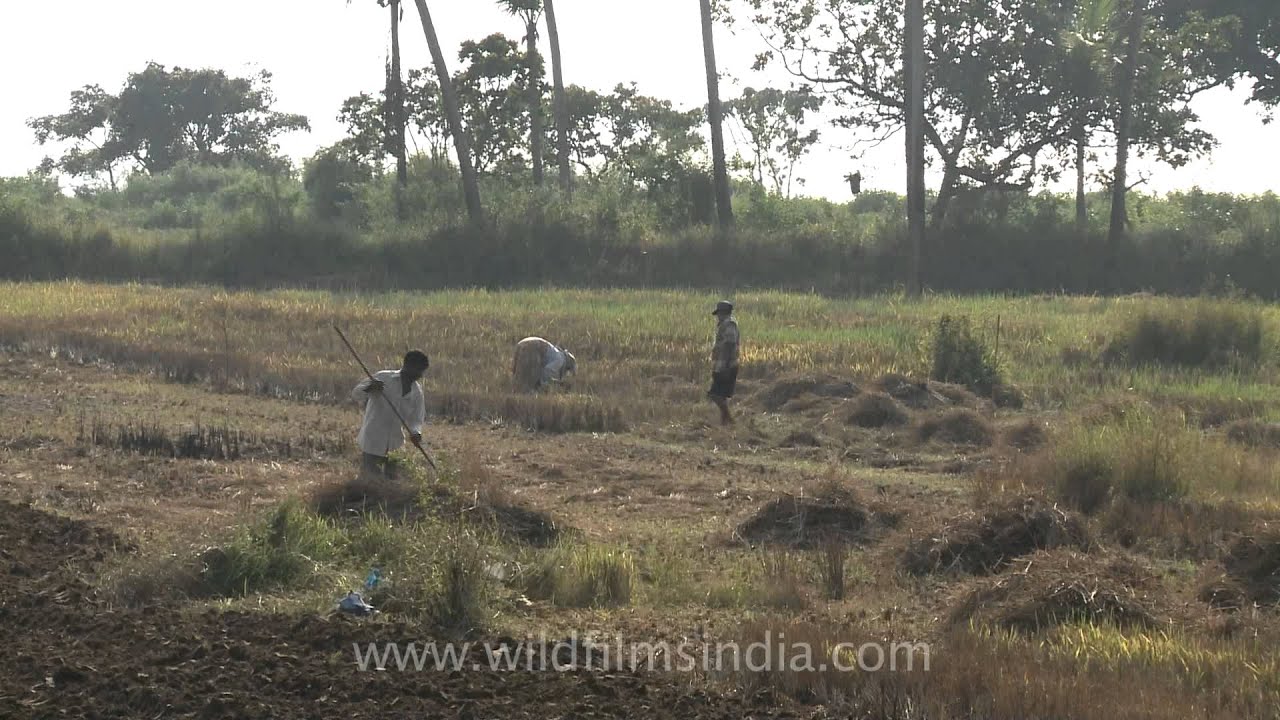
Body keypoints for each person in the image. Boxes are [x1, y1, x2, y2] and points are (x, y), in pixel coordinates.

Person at [350, 350, 428, 479]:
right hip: (373, 441)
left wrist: (415, 433)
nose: (420, 375)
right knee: (369, 482)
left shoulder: (417, 392)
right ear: (408, 366)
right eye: (418, 370)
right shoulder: (383, 377)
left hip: (395, 445)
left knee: (391, 483)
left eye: (422, 371)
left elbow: (416, 419)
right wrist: (370, 388)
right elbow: (356, 394)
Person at [708, 300, 740, 425]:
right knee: (720, 395)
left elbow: (729, 344)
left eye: (719, 313)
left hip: (726, 365)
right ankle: (725, 423)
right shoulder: (725, 324)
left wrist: (724, 366)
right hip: (722, 365)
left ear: (723, 312)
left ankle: (730, 420)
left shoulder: (729, 324)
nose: (717, 317)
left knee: (715, 395)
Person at [512, 337, 577, 392]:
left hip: (522, 343)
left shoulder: (556, 353)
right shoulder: (560, 360)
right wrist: (544, 382)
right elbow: (547, 370)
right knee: (529, 384)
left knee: (519, 378)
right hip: (533, 347)